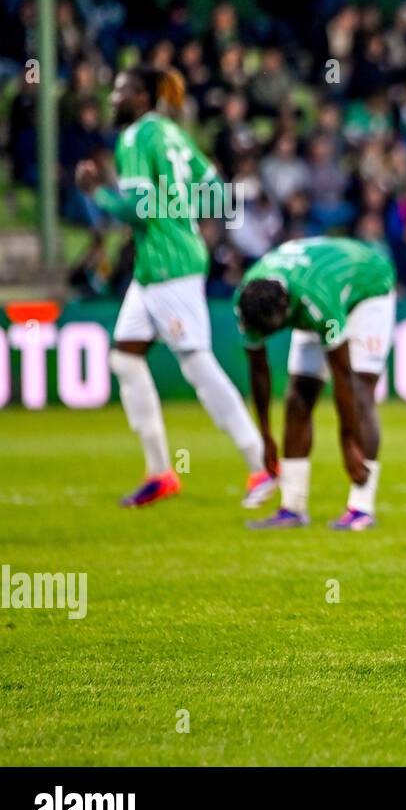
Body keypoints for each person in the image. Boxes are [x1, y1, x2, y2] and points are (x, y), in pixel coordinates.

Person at [75, 65, 274, 509]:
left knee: (197, 366)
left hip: (167, 266)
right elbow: (217, 191)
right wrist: (187, 221)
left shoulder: (134, 139)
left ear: (142, 97)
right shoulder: (170, 132)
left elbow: (139, 211)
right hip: (159, 265)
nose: (112, 98)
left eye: (121, 91)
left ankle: (260, 464)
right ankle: (161, 471)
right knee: (124, 359)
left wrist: (98, 193)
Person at [233, 237, 396, 531]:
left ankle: (361, 507)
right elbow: (258, 369)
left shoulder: (318, 299)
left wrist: (348, 442)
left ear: (285, 311)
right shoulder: (247, 302)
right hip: (317, 284)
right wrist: (266, 436)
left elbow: (342, 373)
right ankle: (292, 508)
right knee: (298, 396)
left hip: (367, 288)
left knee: (360, 392)